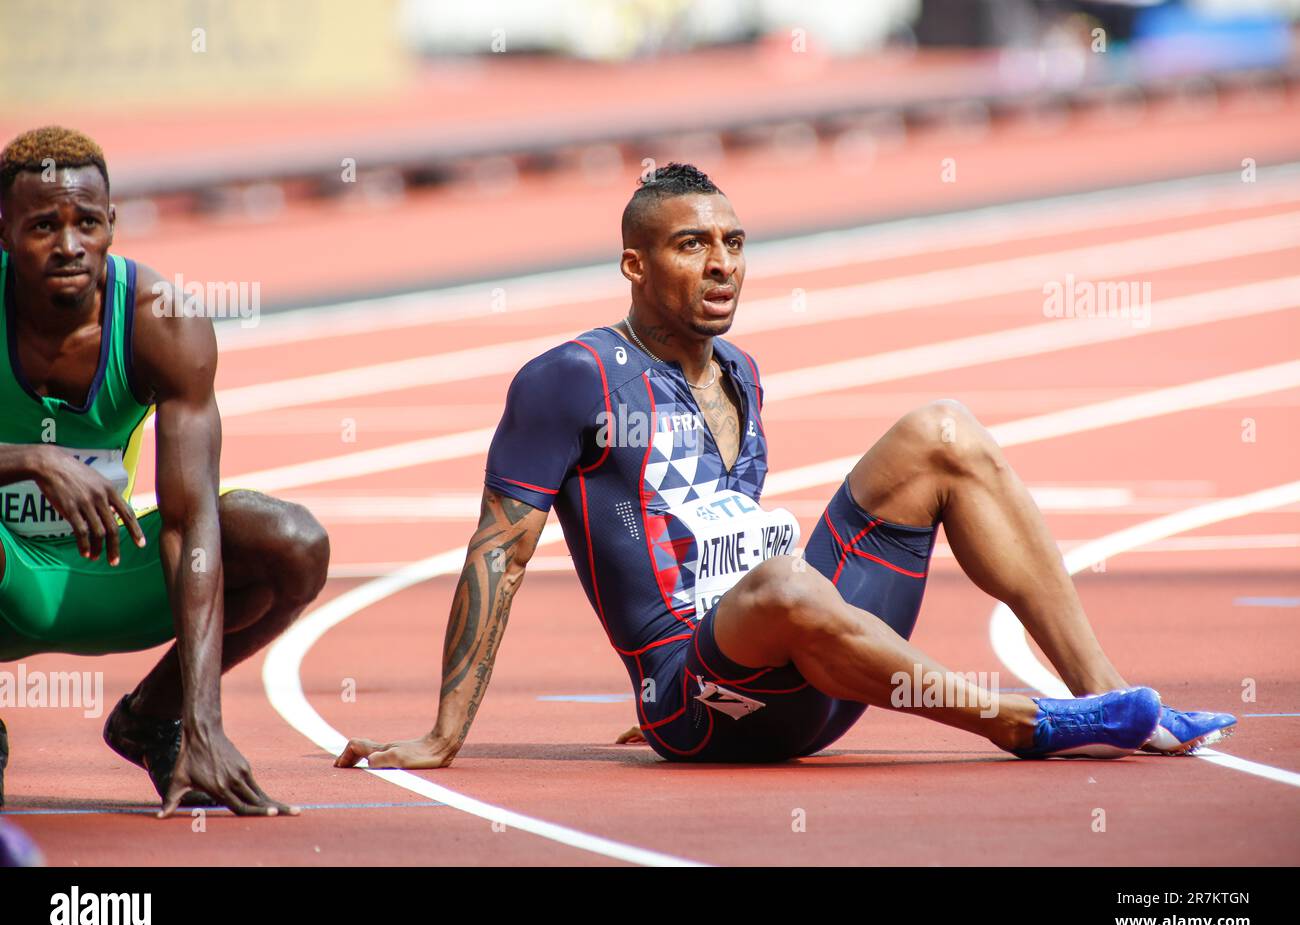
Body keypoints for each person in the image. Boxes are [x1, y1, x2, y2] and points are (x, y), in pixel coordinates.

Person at [336, 163, 1234, 771]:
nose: (722, 265)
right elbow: (499, 554)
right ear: (634, 267)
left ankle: (1116, 701)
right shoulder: (569, 380)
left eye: (733, 243)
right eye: (693, 246)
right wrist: (444, 734)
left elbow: (721, 538)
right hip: (699, 700)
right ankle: (1022, 724)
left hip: (802, 676)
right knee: (786, 585)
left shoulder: (741, 373)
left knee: (943, 430)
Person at [0, 127, 329, 817]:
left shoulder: (161, 321)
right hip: (8, 577)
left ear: (113, 225)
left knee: (293, 543)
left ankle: (156, 718)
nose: (68, 245)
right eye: (41, 226)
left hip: (113, 568)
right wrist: (31, 458)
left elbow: (189, 521)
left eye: (87, 222)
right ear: (2, 230)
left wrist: (207, 721)